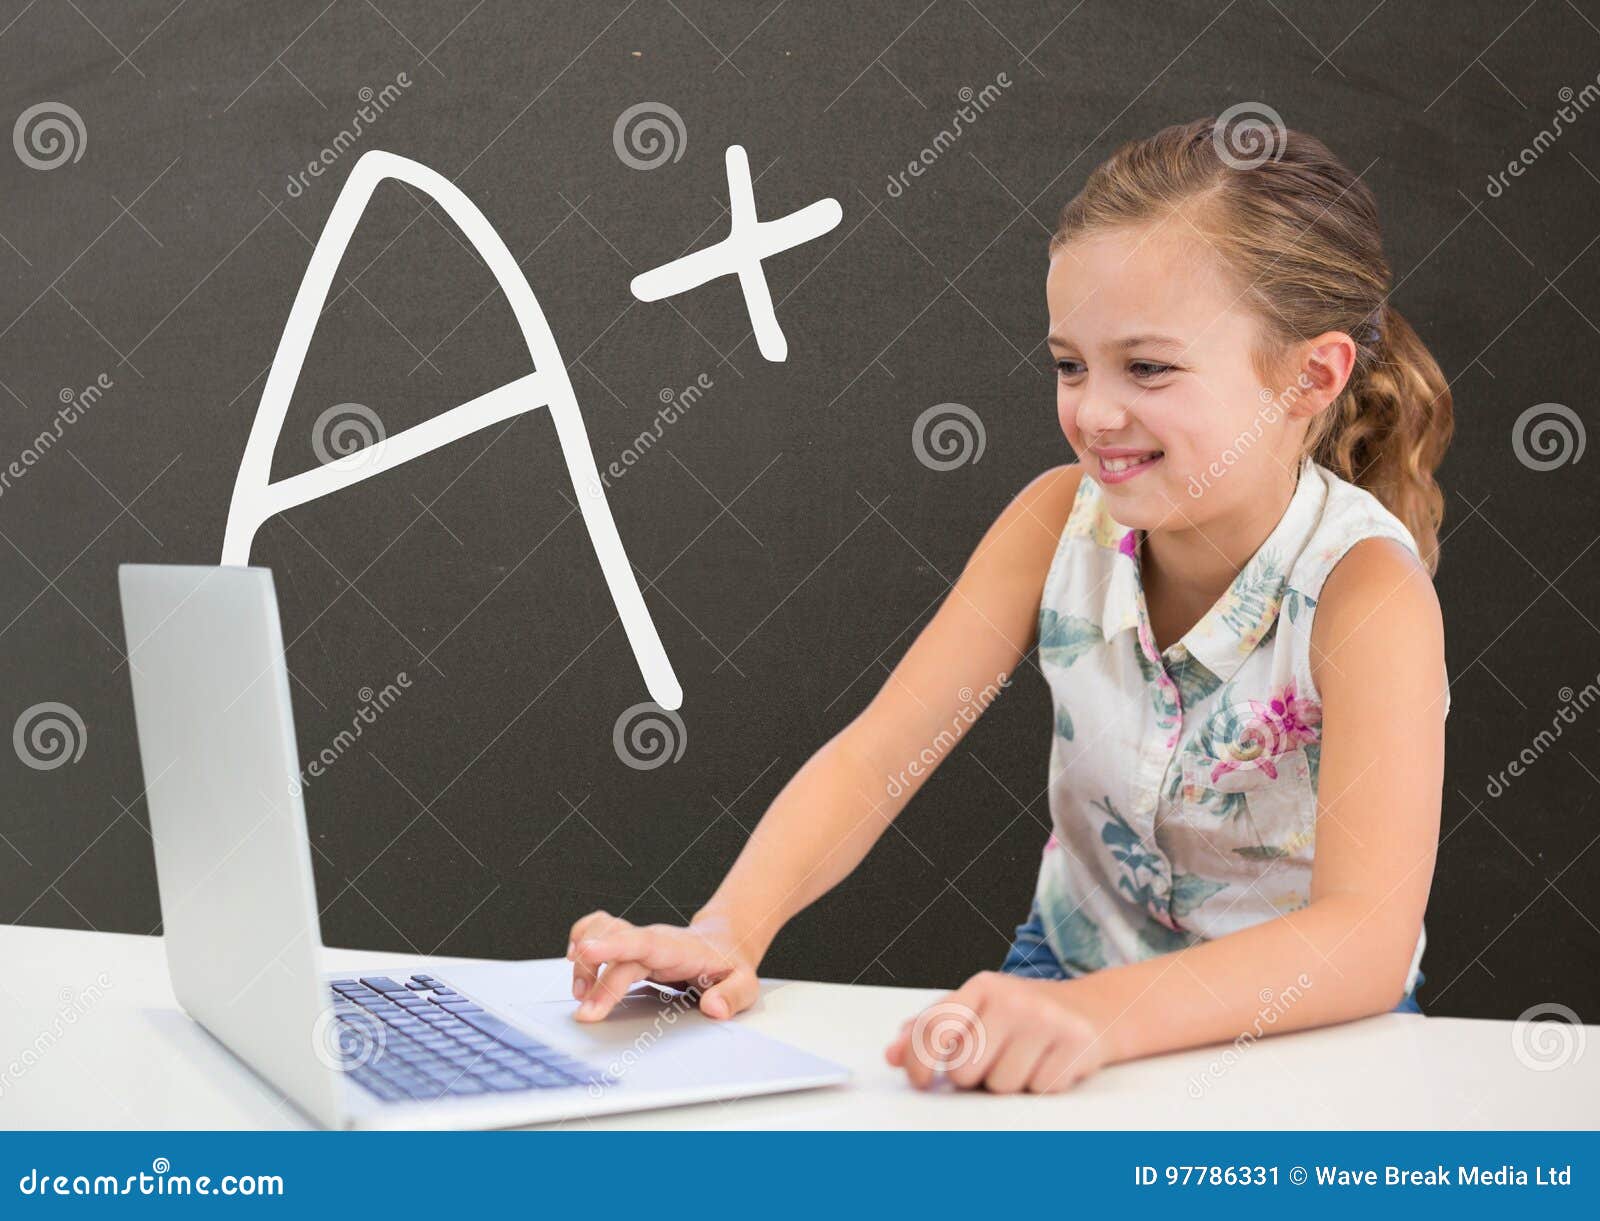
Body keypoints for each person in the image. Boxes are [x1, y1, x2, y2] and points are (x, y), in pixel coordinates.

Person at [566, 115, 1453, 1095]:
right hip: (1067, 980)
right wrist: (727, 928)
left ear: (1310, 375)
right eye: (1071, 365)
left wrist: (1097, 1019)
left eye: (1147, 367)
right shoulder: (1053, 524)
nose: (1094, 412)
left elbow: (1364, 938)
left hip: (1302, 1036)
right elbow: (877, 755)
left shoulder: (1366, 590)